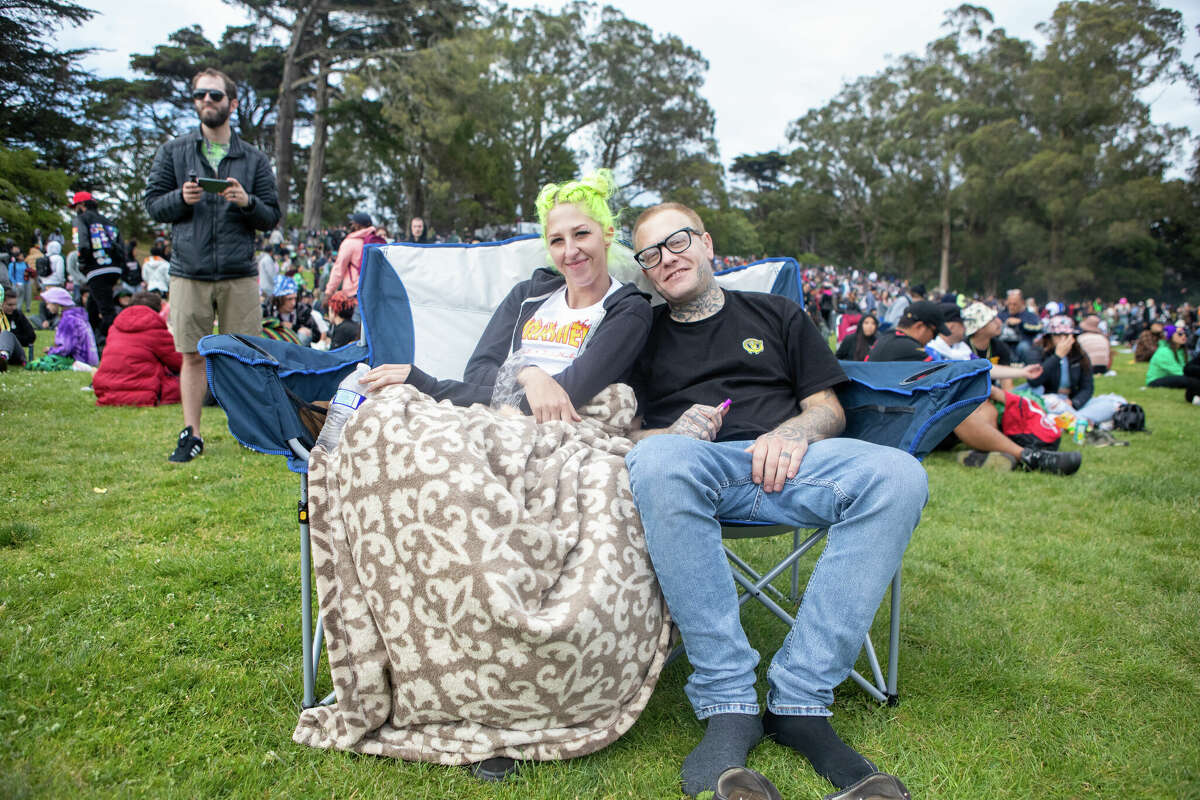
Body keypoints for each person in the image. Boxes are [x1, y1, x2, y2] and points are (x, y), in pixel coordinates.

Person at [623, 201, 918, 800]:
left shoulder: (777, 312)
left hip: (794, 465)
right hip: (693, 470)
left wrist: (791, 434)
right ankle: (729, 701)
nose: (666, 259)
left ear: (707, 243)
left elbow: (827, 408)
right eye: (650, 254)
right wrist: (669, 433)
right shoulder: (639, 333)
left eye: (677, 242)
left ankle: (800, 702)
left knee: (899, 475)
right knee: (657, 459)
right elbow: (623, 435)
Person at [362, 170, 652, 424]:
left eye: (581, 234)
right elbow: (477, 371)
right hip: (492, 415)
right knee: (375, 411)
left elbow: (561, 396)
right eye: (557, 240)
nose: (570, 250)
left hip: (551, 426)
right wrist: (529, 373)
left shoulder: (628, 310)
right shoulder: (528, 295)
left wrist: (428, 386)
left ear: (607, 235)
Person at [144, 66, 281, 462]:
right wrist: (180, 199)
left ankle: (250, 430)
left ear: (232, 104)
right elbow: (153, 204)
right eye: (200, 95)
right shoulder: (174, 151)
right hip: (189, 271)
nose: (207, 100)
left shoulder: (253, 158)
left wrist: (247, 202)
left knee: (246, 356)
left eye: (215, 95)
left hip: (239, 273)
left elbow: (271, 216)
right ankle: (192, 434)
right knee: (191, 354)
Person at [869, 302, 1080, 475]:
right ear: (920, 326)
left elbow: (964, 371)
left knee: (979, 406)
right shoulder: (906, 348)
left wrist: (1020, 373)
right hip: (897, 427)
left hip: (895, 419)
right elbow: (951, 378)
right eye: (934, 332)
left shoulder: (891, 340)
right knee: (956, 409)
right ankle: (1028, 456)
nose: (933, 338)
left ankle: (985, 451)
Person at [92, 292, 182, 406]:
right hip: (144, 393)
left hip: (107, 392)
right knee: (188, 382)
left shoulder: (115, 328)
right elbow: (179, 362)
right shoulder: (155, 328)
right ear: (158, 309)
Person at [70, 191, 125, 342]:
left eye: (75, 206)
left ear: (82, 205)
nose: (75, 210)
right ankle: (93, 339)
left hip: (96, 269)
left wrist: (82, 263)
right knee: (92, 306)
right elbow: (121, 245)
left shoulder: (81, 219)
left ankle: (113, 341)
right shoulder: (109, 221)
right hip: (114, 268)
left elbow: (82, 244)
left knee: (107, 310)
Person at [25, 286, 98, 370]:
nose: (47, 307)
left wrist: (51, 351)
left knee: (37, 364)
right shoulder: (77, 316)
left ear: (57, 304)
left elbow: (65, 349)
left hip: (80, 360)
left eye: (48, 303)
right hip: (91, 359)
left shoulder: (68, 320)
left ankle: (74, 367)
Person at [323, 212, 382, 299]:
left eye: (352, 223)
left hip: (354, 291)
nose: (351, 225)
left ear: (358, 226)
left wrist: (329, 292)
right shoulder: (377, 241)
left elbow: (339, 269)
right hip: (375, 292)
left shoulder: (350, 242)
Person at [1145, 325, 1200, 404]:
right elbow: (1178, 372)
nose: (1184, 336)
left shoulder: (1181, 351)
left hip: (1174, 376)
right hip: (1156, 380)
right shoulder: (1164, 352)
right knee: (1191, 381)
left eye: (1185, 333)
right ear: (1170, 336)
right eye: (1180, 334)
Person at [1, 279, 36, 370]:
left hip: (17, 354)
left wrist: (12, 337)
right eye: (10, 305)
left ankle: (3, 357)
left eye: (15, 305)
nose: (13, 308)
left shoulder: (18, 315)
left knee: (6, 334)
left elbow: (31, 337)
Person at [1000, 289, 1042, 363]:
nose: (1011, 307)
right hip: (1005, 345)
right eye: (1009, 304)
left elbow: (1039, 328)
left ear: (1022, 303)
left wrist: (1021, 323)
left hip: (1022, 346)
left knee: (1023, 347)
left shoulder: (1030, 316)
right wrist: (1004, 324)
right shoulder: (1001, 315)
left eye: (1015, 304)